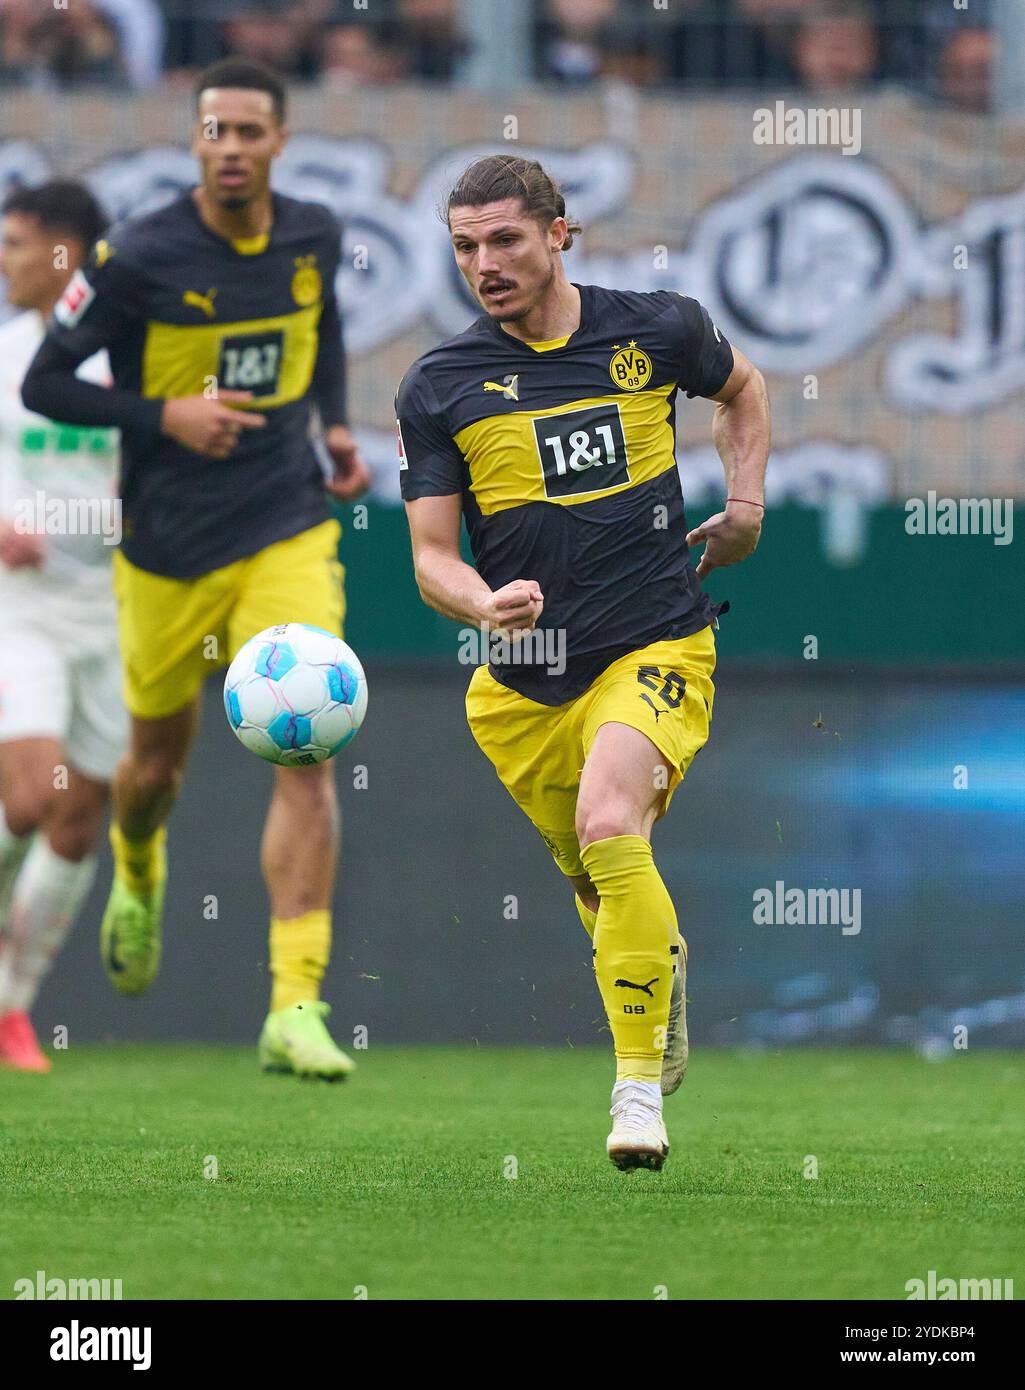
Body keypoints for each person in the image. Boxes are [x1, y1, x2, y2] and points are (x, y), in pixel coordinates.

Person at [397, 155, 769, 1170]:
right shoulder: (441, 384)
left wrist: (743, 502)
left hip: (655, 640)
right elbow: (431, 554)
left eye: (505, 239)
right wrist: (479, 599)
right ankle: (660, 969)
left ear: (560, 233)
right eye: (465, 245)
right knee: (601, 881)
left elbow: (743, 389)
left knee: (612, 820)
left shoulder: (655, 330)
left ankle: (636, 1091)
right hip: (519, 692)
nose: (485, 263)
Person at [22, 58, 370, 1080]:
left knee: (309, 743)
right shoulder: (135, 257)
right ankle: (138, 860)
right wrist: (161, 413)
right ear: (194, 141)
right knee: (151, 769)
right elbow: (48, 382)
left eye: (248, 132)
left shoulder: (311, 235)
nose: (229, 147)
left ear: (279, 141)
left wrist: (335, 426)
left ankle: (294, 1003)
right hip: (167, 546)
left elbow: (324, 327)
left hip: (285, 522)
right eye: (212, 130)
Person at [0, 181, 121, 1072]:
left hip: (116, 613)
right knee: (29, 798)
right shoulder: (4, 355)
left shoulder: (128, 362)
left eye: (16, 244)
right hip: (21, 609)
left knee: (78, 822)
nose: (4, 261)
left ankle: (12, 1008)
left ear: (65, 253)